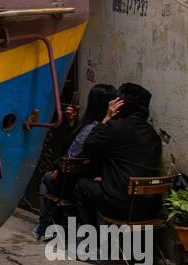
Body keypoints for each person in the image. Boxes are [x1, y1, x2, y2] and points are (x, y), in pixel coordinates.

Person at [73, 81, 163, 227]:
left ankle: (88, 240)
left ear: (120, 105)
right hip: (150, 208)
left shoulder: (115, 128)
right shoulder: (153, 135)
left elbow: (89, 146)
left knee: (82, 185)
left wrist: (106, 118)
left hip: (121, 207)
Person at [34, 83, 116, 238]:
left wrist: (58, 168)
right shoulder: (111, 128)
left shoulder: (91, 129)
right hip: (93, 183)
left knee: (45, 178)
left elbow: (71, 156)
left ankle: (43, 225)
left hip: (73, 184)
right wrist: (73, 124)